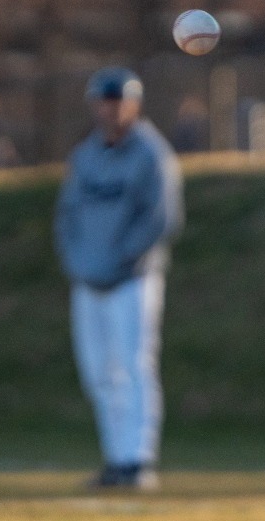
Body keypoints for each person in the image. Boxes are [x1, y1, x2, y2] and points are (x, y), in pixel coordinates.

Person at [54, 67, 183, 490]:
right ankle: (114, 457)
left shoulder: (151, 153)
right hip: (88, 279)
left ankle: (137, 459)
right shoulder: (86, 155)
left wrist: (119, 262)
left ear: (134, 104)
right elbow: (67, 216)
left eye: (118, 100)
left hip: (131, 279)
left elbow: (160, 220)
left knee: (134, 365)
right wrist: (80, 263)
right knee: (99, 372)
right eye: (103, 101)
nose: (110, 109)